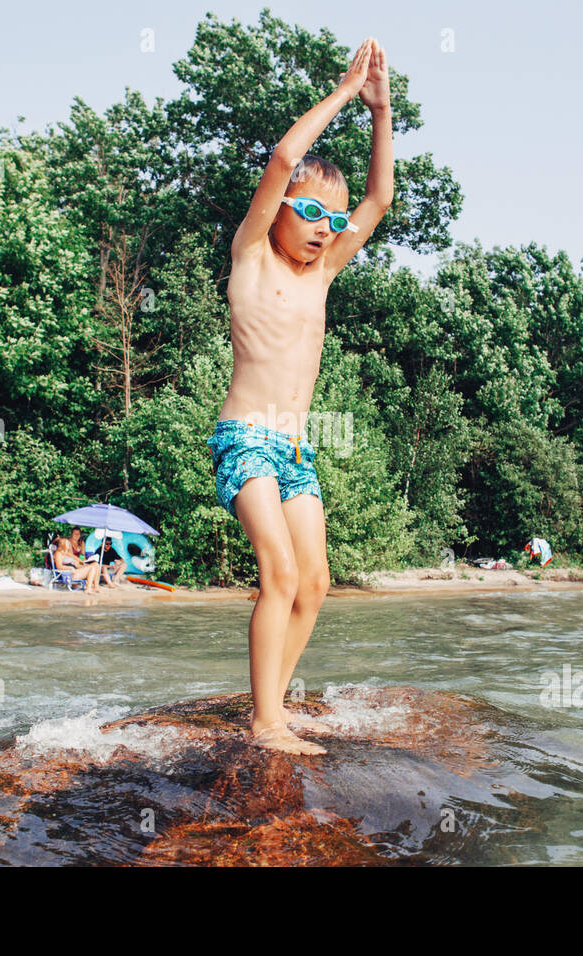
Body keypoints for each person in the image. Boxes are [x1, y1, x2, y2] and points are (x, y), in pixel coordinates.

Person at [203, 38, 392, 756]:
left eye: (333, 223)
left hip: (294, 450)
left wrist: (381, 112)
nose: (324, 229)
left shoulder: (320, 276)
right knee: (276, 571)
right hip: (244, 438)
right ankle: (265, 725)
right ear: (279, 207)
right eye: (313, 211)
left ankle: (271, 705)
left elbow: (379, 200)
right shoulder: (250, 257)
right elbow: (284, 159)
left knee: (315, 581)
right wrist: (345, 91)